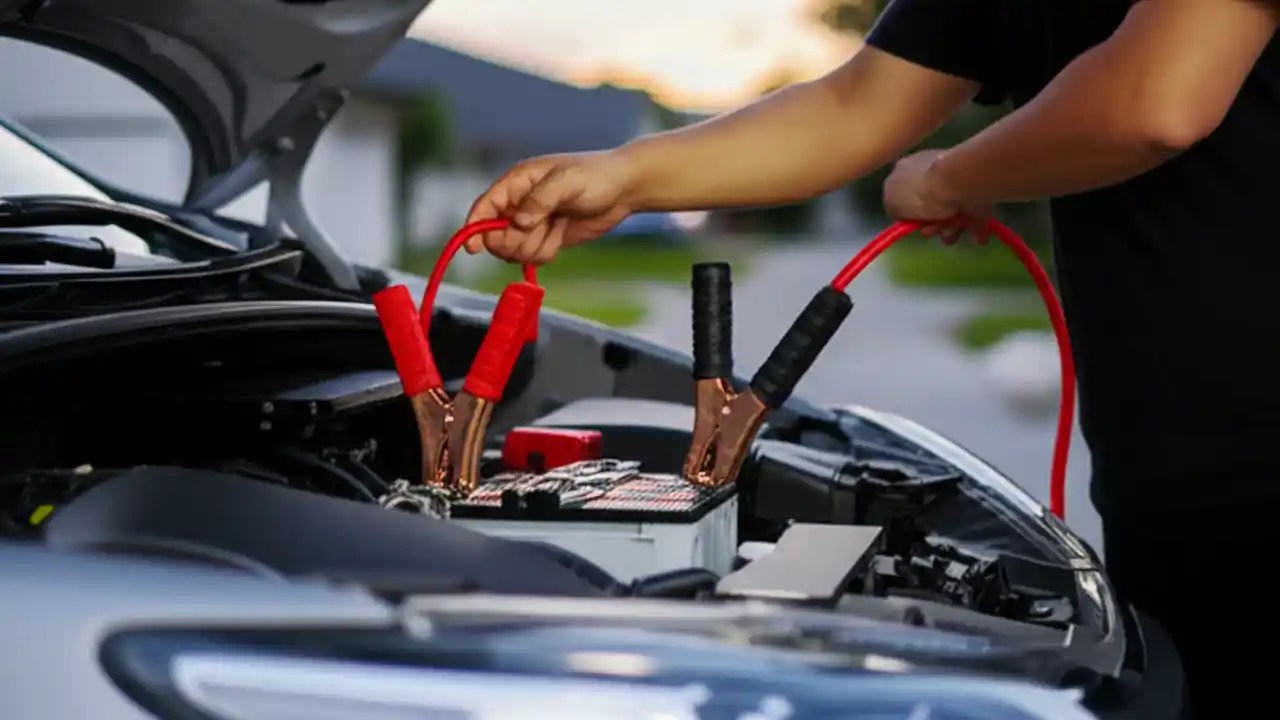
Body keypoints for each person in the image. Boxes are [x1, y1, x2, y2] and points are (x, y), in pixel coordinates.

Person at [465, 1, 1280, 712]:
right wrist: (626, 176)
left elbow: (1160, 98)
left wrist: (952, 175)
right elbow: (858, 104)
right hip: (1173, 505)